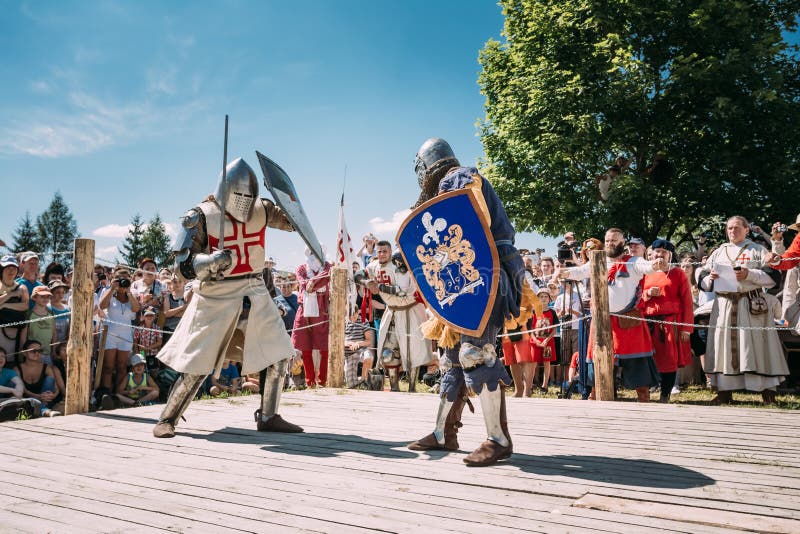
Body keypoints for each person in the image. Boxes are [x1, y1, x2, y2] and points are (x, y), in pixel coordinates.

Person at [406, 138, 536, 467]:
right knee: (451, 360)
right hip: (462, 285)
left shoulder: (460, 178)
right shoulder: (448, 185)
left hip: (481, 280)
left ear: (430, 164)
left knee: (476, 353)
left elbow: (472, 219)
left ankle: (498, 438)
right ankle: (443, 432)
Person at [153, 156, 302, 438]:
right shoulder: (199, 216)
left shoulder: (263, 210)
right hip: (216, 293)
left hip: (255, 290)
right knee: (198, 362)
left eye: (250, 195)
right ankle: (168, 418)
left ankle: (269, 415)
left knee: (280, 352)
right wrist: (209, 261)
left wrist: (288, 202)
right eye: (239, 194)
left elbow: (293, 223)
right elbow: (181, 267)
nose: (245, 201)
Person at [558, 228, 667, 402]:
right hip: (602, 322)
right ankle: (597, 412)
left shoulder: (633, 261)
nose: (610, 244)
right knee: (597, 380)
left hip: (628, 322)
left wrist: (655, 265)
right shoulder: (597, 260)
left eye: (614, 241)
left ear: (622, 243)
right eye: (608, 240)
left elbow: (646, 267)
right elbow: (580, 272)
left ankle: (645, 412)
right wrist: (564, 272)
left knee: (641, 384)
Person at [698, 216, 788, 404]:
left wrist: (749, 274)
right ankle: (724, 391)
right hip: (724, 305)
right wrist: (711, 277)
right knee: (723, 348)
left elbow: (774, 278)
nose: (732, 231)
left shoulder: (757, 250)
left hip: (751, 305)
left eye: (737, 227)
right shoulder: (719, 252)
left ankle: (768, 391)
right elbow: (703, 277)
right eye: (729, 228)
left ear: (747, 230)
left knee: (759, 347)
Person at [362, 244, 433, 392]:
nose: (381, 254)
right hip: (392, 311)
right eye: (379, 251)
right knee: (388, 353)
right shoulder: (374, 265)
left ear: (390, 253)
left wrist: (379, 287)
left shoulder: (400, 264)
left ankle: (412, 387)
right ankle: (394, 388)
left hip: (410, 310)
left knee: (414, 351)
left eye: (385, 252)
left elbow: (402, 292)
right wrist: (366, 282)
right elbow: (359, 274)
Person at [639, 240, 694, 402]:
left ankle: (665, 394)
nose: (659, 255)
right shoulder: (645, 273)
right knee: (648, 359)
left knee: (669, 361)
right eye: (657, 252)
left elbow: (687, 302)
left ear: (669, 255)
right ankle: (646, 394)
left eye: (664, 252)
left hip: (670, 324)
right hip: (648, 323)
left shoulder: (678, 273)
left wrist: (686, 328)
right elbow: (637, 298)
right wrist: (647, 294)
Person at [97, 267, 140, 403]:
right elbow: (102, 306)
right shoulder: (107, 290)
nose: (122, 282)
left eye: (125, 279)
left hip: (125, 335)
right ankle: (106, 395)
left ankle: (119, 395)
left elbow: (136, 309)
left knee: (122, 366)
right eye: (119, 279)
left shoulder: (132, 293)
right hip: (110, 333)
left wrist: (129, 292)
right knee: (108, 366)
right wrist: (112, 289)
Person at [292, 250, 332, 388]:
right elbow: (302, 282)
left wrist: (312, 282)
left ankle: (323, 380)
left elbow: (326, 276)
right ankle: (310, 381)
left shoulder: (327, 265)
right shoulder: (302, 267)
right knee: (305, 346)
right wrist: (311, 284)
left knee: (324, 346)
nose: (313, 255)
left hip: (322, 309)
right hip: (304, 309)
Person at [14, 339, 62, 416]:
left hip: (45, 400)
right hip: (27, 400)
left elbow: (56, 388)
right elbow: (24, 390)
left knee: (49, 380)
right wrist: (38, 396)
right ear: (24, 353)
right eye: (33, 351)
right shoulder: (17, 368)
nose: (37, 353)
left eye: (39, 351)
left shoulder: (46, 367)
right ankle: (44, 411)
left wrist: (53, 395)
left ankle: (43, 409)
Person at [0, 255, 29, 364]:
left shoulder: (22, 288)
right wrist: (10, 294)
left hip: (16, 334)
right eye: (7, 267)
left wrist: (5, 305)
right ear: (2, 269)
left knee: (14, 361)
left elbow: (25, 306)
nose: (11, 271)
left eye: (14, 268)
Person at [530, 287, 558, 393]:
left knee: (547, 363)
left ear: (549, 299)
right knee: (533, 363)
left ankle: (545, 385)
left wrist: (547, 339)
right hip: (535, 342)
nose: (544, 298)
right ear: (538, 298)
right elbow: (530, 328)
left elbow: (555, 328)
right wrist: (535, 340)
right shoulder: (534, 312)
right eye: (541, 297)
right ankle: (530, 384)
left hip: (548, 342)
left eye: (546, 296)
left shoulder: (552, 312)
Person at [343, 308, 375, 388]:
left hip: (361, 350)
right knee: (351, 385)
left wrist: (358, 343)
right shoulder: (343, 321)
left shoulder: (364, 320)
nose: (352, 318)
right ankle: (359, 381)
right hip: (348, 354)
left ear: (358, 312)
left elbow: (368, 341)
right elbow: (337, 340)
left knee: (369, 357)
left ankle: (364, 380)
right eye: (350, 316)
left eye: (354, 315)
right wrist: (346, 343)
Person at [26, 286, 56, 364]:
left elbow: (54, 333)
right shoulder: (29, 314)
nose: (45, 299)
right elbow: (23, 334)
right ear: (34, 297)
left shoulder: (51, 313)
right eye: (42, 296)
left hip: (47, 353)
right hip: (32, 353)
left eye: (48, 297)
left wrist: (54, 350)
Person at [133, 306, 163, 372]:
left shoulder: (157, 328)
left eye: (151, 315)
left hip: (153, 353)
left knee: (154, 371)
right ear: (143, 316)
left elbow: (159, 342)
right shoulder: (139, 328)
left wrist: (147, 347)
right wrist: (137, 353)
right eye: (147, 315)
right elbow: (135, 341)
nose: (149, 317)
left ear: (155, 316)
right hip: (142, 354)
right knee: (142, 371)